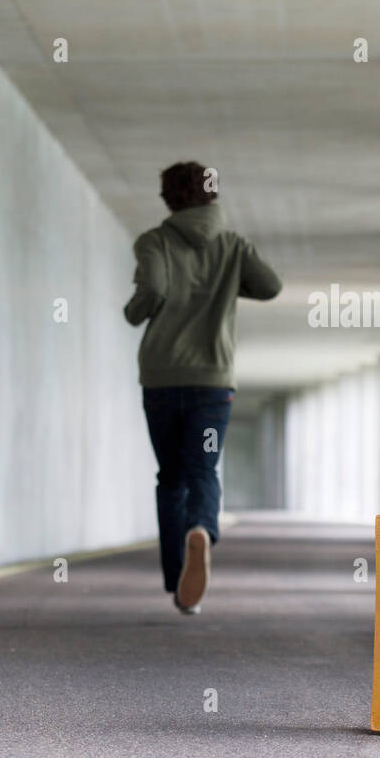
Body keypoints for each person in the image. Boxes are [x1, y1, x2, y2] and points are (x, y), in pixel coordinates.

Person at [124, 162, 282, 614]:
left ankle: (177, 579)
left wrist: (135, 311)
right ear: (212, 196)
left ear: (169, 198)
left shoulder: (154, 241)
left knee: (169, 478)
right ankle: (201, 530)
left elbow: (150, 289)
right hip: (213, 387)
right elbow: (270, 285)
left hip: (161, 380)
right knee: (203, 471)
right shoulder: (232, 245)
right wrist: (227, 282)